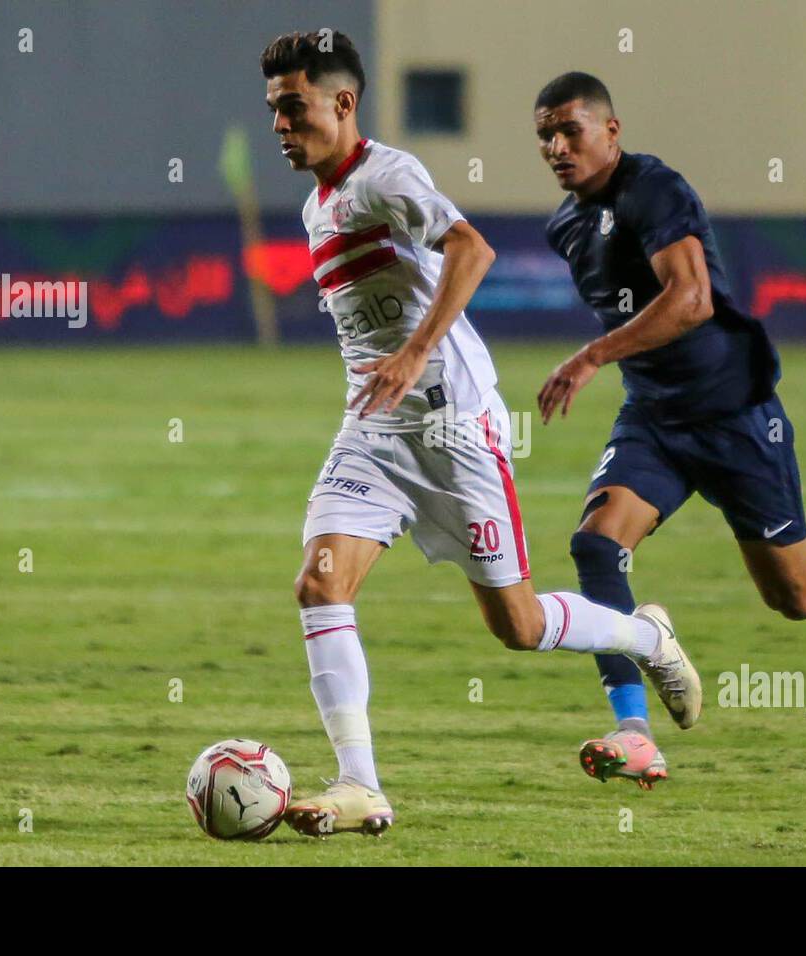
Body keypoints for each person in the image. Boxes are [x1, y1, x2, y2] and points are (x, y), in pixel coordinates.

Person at [263, 35, 703, 835]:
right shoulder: (313, 206)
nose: (281, 126)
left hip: (452, 425)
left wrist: (416, 351)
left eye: (293, 108)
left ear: (342, 104)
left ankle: (646, 635)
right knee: (320, 585)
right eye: (273, 113)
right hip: (373, 430)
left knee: (519, 626)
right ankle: (360, 783)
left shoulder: (386, 176)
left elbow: (472, 248)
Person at [532, 72, 806, 789]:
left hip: (735, 417)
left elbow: (688, 302)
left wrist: (591, 355)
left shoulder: (654, 188)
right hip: (656, 418)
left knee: (796, 596)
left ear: (612, 130)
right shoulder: (565, 227)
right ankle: (635, 734)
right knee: (595, 544)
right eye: (545, 135)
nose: (557, 146)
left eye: (571, 130)